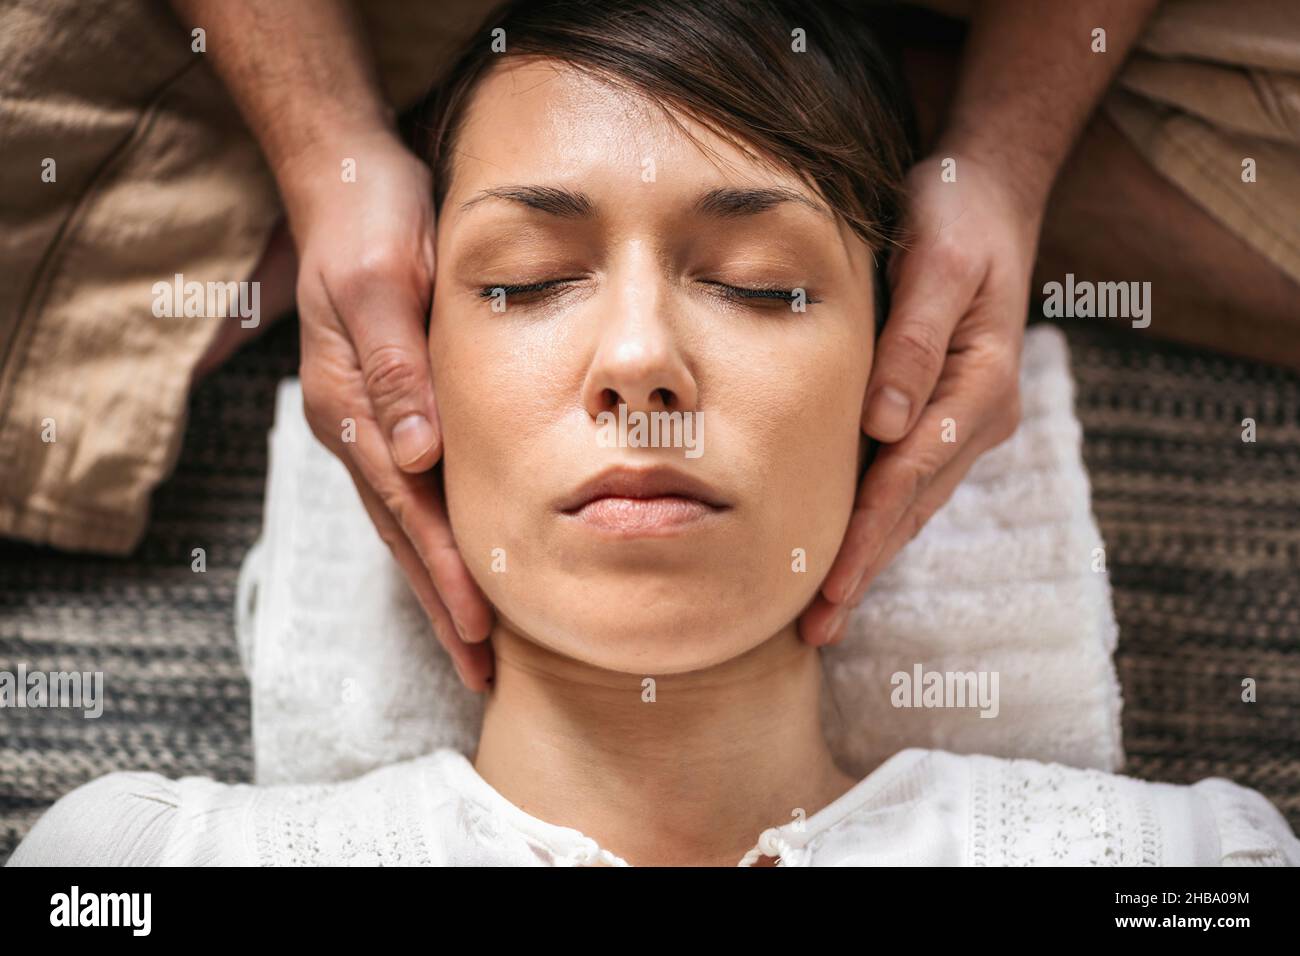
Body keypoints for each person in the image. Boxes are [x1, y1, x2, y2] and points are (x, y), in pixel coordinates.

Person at [9, 0, 1297, 868]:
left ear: (903, 370)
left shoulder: (1184, 872)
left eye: (756, 283)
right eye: (519, 281)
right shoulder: (135, 867)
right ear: (408, 367)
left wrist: (1008, 166)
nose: (638, 362)